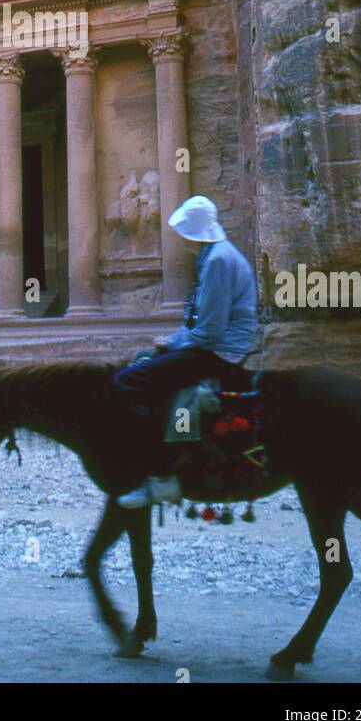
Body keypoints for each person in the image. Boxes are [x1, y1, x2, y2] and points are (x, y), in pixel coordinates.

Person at [114, 196, 258, 509]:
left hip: (220, 351)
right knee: (145, 362)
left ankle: (160, 473)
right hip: (217, 344)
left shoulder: (218, 260)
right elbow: (200, 322)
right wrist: (172, 341)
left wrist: (170, 344)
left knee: (129, 381)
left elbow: (209, 330)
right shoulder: (214, 254)